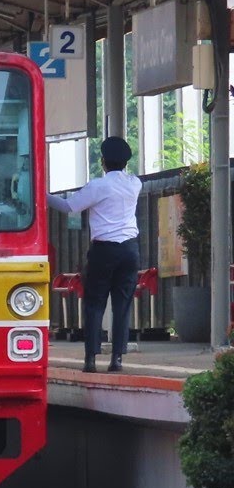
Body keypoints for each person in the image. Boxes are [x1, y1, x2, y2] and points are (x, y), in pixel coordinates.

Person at [47, 137, 142, 373]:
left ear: (103, 161)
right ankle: (117, 359)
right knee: (122, 305)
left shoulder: (98, 186)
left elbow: (69, 207)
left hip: (104, 250)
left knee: (95, 303)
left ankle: (90, 359)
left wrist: (42, 194)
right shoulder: (135, 184)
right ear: (125, 162)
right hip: (130, 250)